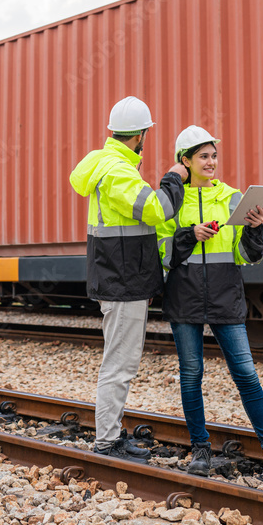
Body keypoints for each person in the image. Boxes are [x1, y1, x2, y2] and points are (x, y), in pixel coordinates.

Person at [156, 125, 263, 485]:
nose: (211, 161)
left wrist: (255, 229)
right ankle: (200, 449)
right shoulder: (170, 201)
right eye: (203, 156)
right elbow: (161, 255)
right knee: (192, 375)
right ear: (185, 161)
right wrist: (189, 234)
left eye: (214, 155)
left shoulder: (233, 197)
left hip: (225, 297)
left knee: (245, 374)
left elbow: (248, 256)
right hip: (183, 299)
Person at [69, 96, 187, 462]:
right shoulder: (117, 170)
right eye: (147, 134)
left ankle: (111, 435)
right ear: (141, 135)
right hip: (122, 283)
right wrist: (174, 178)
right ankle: (107, 441)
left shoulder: (111, 165)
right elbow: (157, 209)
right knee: (119, 365)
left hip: (124, 279)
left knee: (120, 362)